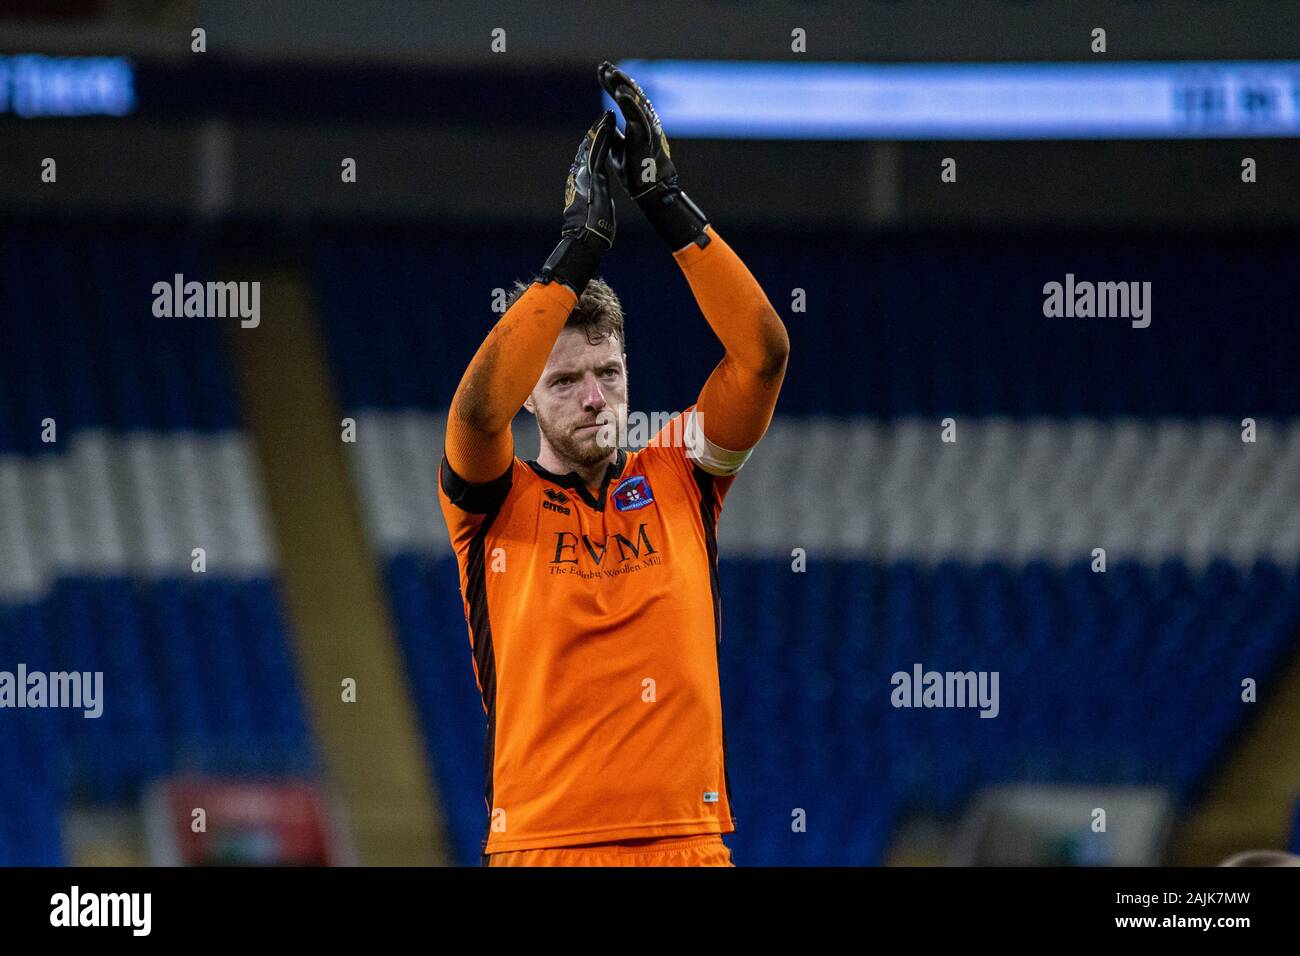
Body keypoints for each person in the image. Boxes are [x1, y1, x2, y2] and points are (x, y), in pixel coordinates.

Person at [438, 62, 789, 866]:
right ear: (532, 394)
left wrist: (668, 207)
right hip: (543, 848)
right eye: (563, 380)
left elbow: (762, 354)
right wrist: (575, 253)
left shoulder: (684, 473)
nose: (595, 398)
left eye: (609, 374)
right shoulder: (494, 502)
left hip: (688, 846)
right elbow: (475, 413)